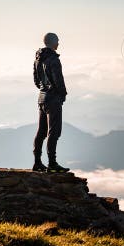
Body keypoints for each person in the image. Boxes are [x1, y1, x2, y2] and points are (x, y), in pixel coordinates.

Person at [32, 32, 69, 173]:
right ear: (52, 42)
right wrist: (62, 94)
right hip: (53, 99)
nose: (59, 43)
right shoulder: (53, 59)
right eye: (57, 41)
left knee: (41, 132)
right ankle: (52, 164)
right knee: (54, 132)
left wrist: (44, 90)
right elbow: (59, 80)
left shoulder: (38, 59)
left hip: (41, 98)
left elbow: (36, 81)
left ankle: (37, 163)